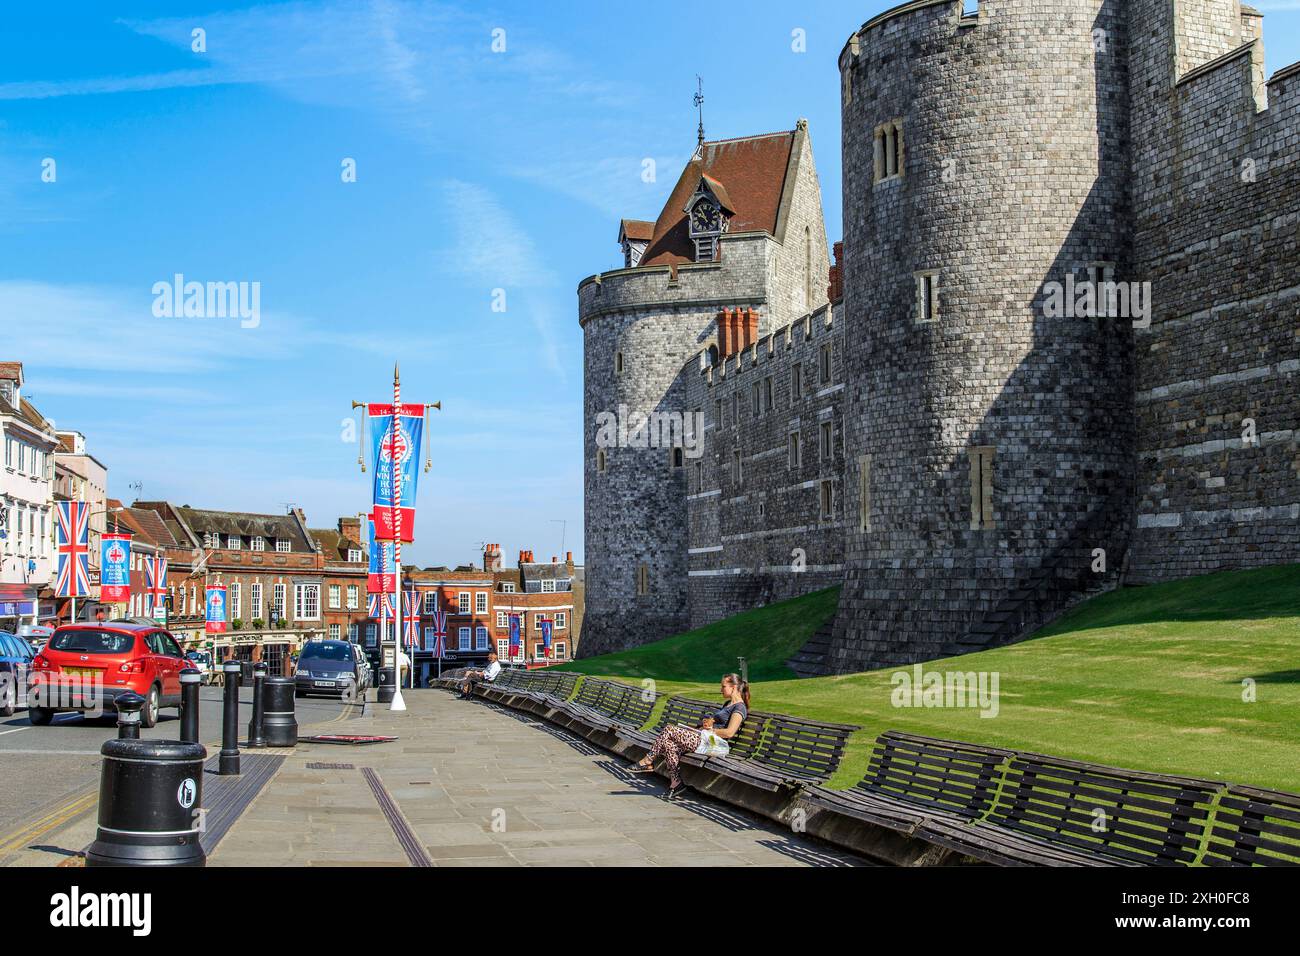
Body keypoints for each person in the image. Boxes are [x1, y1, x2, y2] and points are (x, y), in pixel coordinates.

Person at [630, 673, 750, 799]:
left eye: (723, 686)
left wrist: (711, 730)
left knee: (669, 729)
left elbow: (730, 732)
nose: (721, 689)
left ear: (734, 687)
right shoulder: (727, 704)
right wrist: (706, 725)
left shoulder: (740, 707)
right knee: (668, 744)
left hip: (713, 744)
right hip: (704, 738)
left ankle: (648, 760)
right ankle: (676, 783)